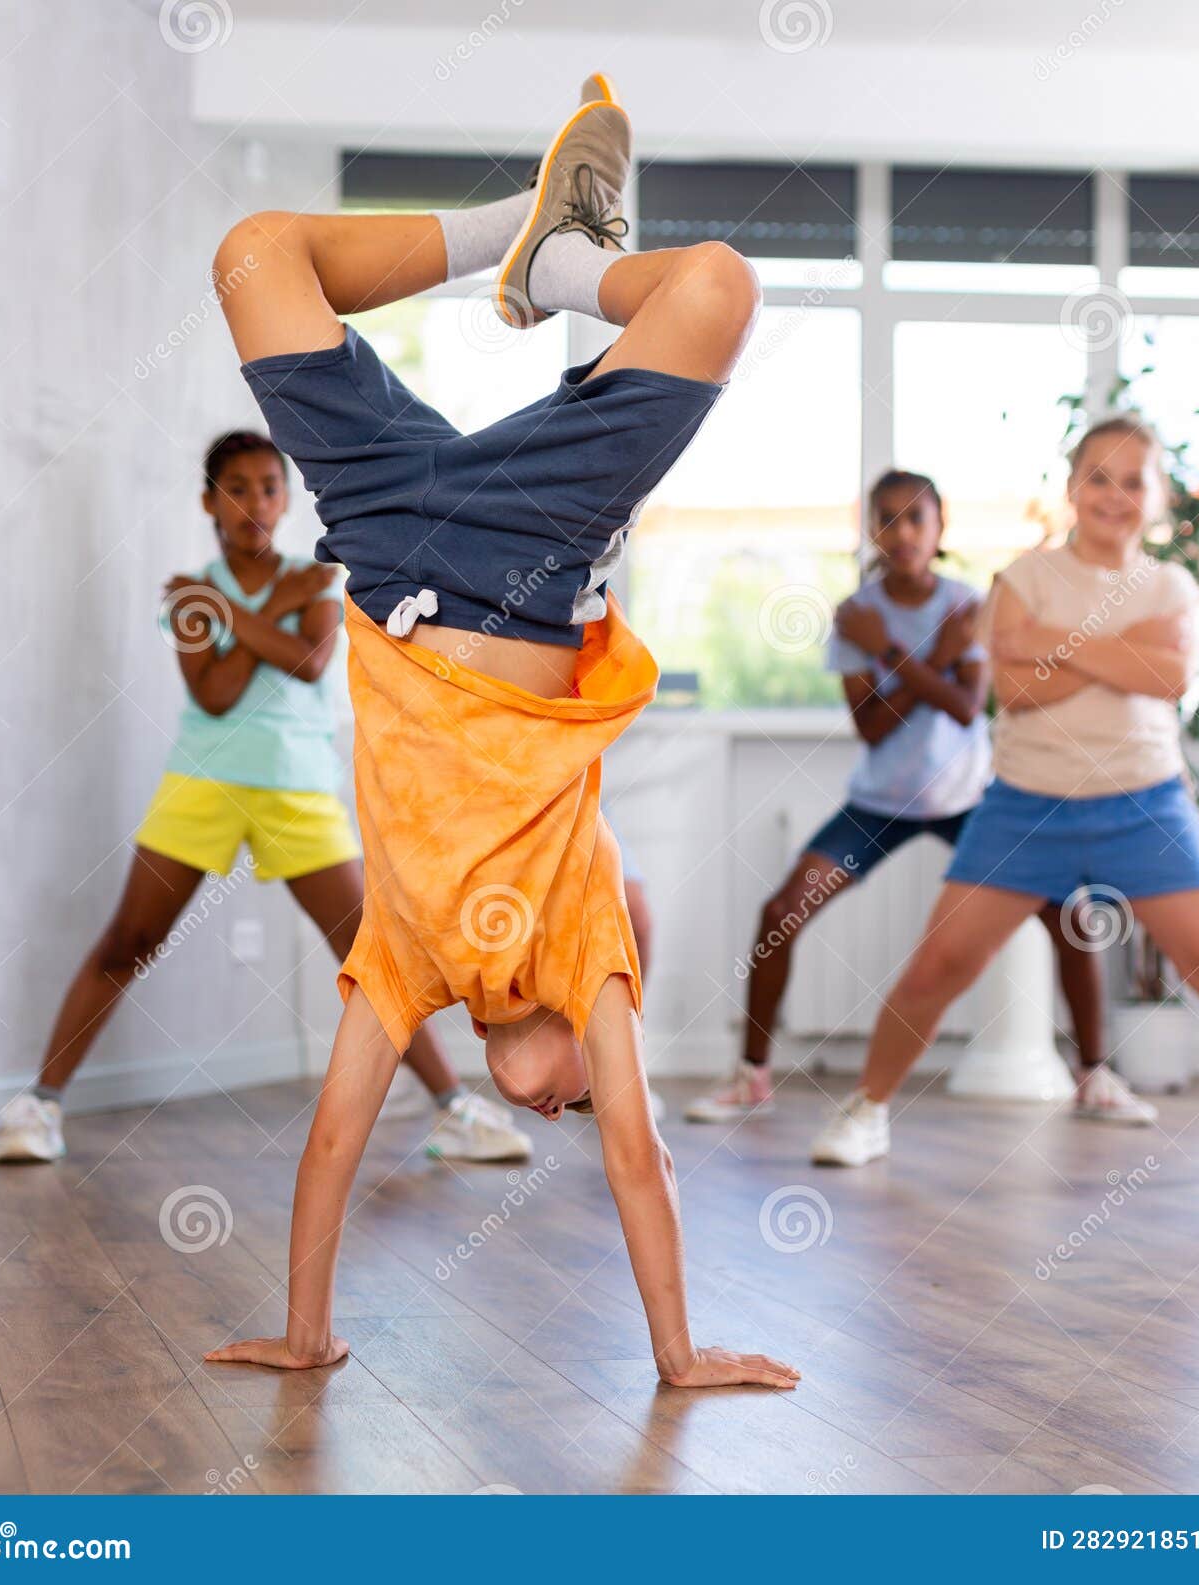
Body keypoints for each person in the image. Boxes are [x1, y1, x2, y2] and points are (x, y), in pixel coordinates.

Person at [202, 77, 799, 1389]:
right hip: (535, 548)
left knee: (253, 255)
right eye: (584, 1094)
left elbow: (332, 1145)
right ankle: (574, 263)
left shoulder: (405, 956)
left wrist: (308, 1338)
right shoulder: (591, 943)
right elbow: (641, 1156)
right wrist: (681, 1352)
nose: (568, 1103)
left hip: (382, 537)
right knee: (717, 287)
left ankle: (517, 235)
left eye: (564, 1103)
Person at [808, 416, 1199, 1183]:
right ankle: (866, 1110)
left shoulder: (1171, 585)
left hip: (1143, 803)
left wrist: (1054, 641)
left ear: (1158, 496)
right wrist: (1121, 651)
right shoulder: (1023, 579)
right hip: (1023, 806)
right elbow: (1016, 690)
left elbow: (1168, 679)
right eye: (1098, 478)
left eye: (1132, 481)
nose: (1113, 495)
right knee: (939, 963)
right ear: (1073, 487)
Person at [0, 430, 530, 1168]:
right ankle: (38, 1105)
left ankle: (456, 1109)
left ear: (286, 496)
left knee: (370, 956)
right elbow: (215, 694)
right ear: (209, 499)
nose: (255, 502)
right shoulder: (213, 590)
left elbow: (308, 663)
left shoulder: (303, 583)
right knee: (127, 941)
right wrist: (271, 603)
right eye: (236, 487)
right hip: (201, 781)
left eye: (269, 486)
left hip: (298, 787)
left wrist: (233, 612)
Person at [686, 469, 1140, 1134]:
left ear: (939, 528)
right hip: (879, 805)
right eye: (888, 518)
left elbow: (963, 707)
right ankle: (751, 1075)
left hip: (970, 803)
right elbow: (872, 727)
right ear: (873, 529)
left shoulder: (969, 606)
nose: (902, 533)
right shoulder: (856, 618)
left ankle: (1096, 1075)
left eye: (915, 519)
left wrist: (893, 657)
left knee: (1069, 913)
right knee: (778, 912)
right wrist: (922, 656)